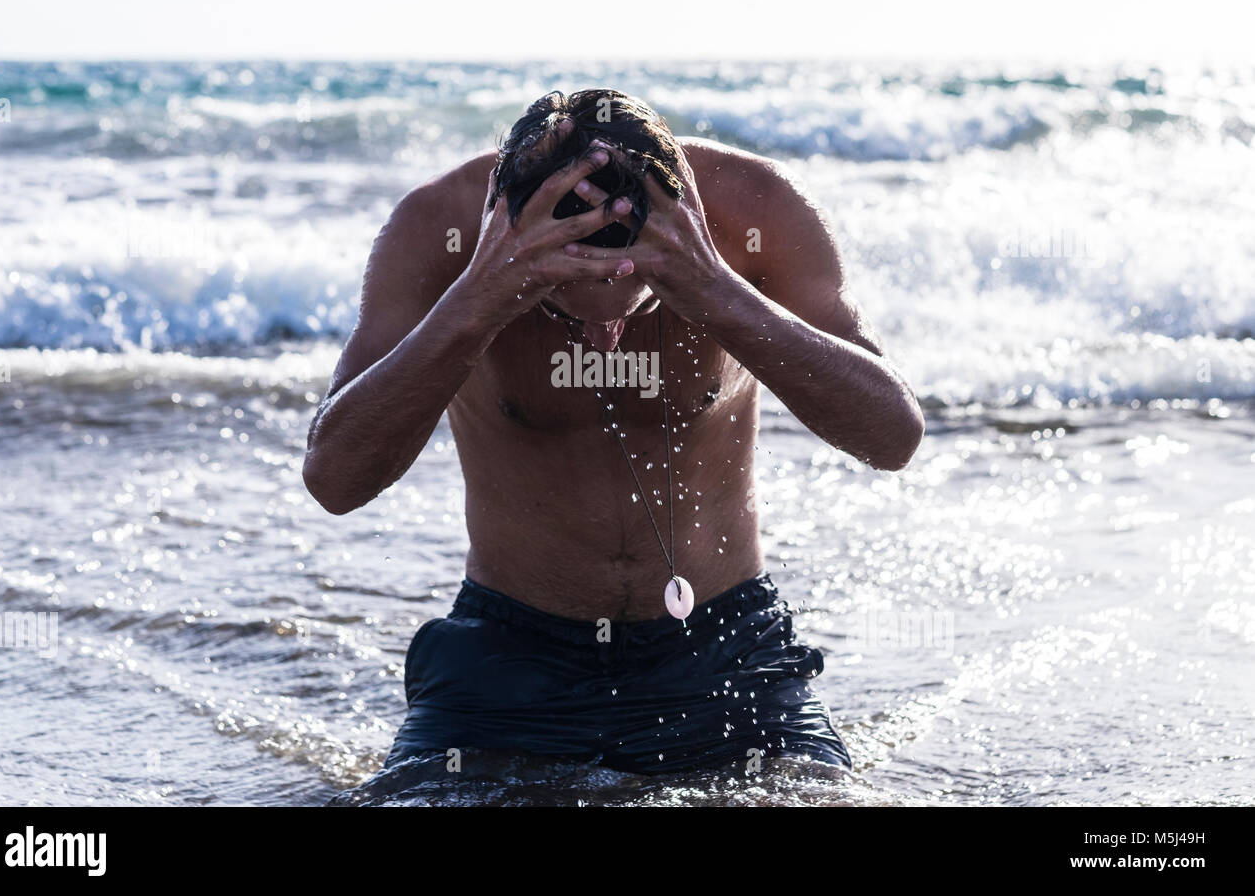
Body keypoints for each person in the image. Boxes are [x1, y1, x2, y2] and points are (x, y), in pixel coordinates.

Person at [304, 89, 923, 779]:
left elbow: (892, 436)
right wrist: (477, 301)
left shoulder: (755, 210)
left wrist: (714, 290)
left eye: (638, 295)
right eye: (566, 302)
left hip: (724, 645)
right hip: (508, 658)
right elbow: (334, 478)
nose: (606, 336)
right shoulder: (438, 229)